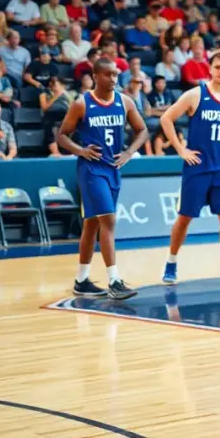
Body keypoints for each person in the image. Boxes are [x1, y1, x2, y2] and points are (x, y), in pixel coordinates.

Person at [160, 49, 220, 286]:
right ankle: (171, 262)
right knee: (185, 218)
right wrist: (181, 150)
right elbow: (166, 119)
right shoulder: (196, 94)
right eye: (217, 67)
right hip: (197, 168)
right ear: (210, 69)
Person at [56, 58, 149, 299]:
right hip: (91, 170)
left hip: (113, 169)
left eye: (116, 75)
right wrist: (80, 150)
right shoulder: (81, 104)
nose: (114, 79)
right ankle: (115, 281)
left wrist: (129, 152)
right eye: (108, 75)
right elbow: (62, 135)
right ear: (96, 76)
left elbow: (143, 130)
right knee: (108, 220)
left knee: (92, 224)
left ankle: (81, 280)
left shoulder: (124, 101)